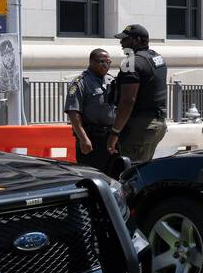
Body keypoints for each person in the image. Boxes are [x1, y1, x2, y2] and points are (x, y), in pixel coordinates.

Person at [107, 24, 168, 165]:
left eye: (125, 39)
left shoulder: (131, 62)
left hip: (139, 128)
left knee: (132, 174)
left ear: (137, 40)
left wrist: (115, 132)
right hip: (156, 124)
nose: (121, 43)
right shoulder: (156, 58)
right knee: (144, 168)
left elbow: (127, 101)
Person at [63, 49, 114, 171]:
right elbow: (73, 112)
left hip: (110, 137)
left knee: (113, 174)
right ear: (91, 62)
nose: (106, 65)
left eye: (108, 62)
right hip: (91, 137)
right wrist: (83, 138)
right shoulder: (80, 82)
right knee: (92, 174)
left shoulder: (111, 80)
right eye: (102, 62)